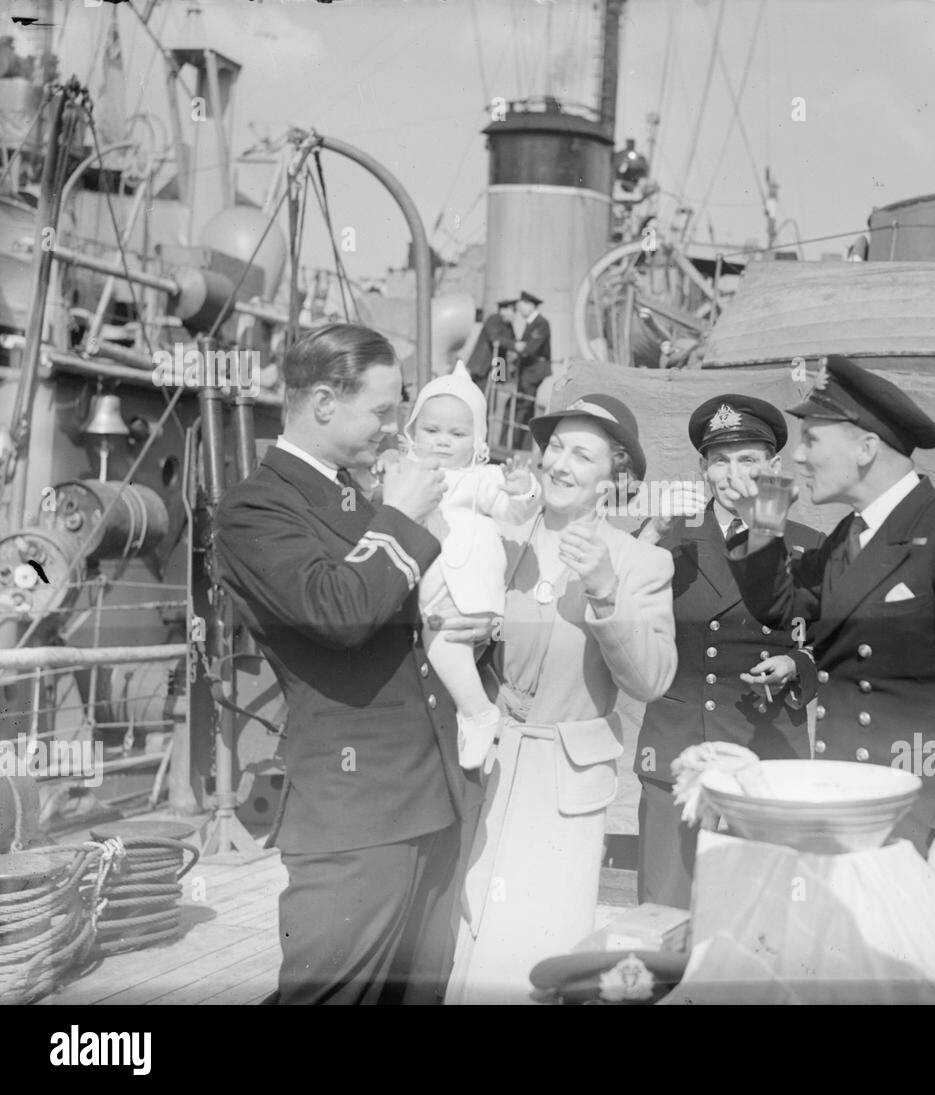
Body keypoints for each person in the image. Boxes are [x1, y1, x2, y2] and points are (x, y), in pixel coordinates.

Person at [724, 356, 935, 950]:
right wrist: (762, 520)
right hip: (863, 826)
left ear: (866, 448)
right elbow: (782, 610)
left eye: (811, 439)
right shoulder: (850, 536)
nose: (796, 456)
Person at [214, 323, 484, 1004]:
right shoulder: (256, 507)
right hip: (355, 818)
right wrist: (403, 514)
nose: (397, 427)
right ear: (326, 403)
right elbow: (337, 612)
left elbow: (380, 609)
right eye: (385, 409)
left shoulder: (351, 494)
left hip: (429, 802)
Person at [446, 393, 677, 1003]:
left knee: (533, 954)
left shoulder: (641, 563)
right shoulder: (498, 535)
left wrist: (605, 592)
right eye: (554, 447)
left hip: (564, 787)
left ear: (616, 477)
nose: (559, 463)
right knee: (467, 936)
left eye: (582, 453)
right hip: (486, 768)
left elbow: (652, 680)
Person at [634, 394, 823, 910]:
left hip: (768, 746)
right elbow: (618, 606)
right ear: (702, 468)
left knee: (761, 913)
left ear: (773, 467)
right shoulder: (671, 537)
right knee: (664, 909)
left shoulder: (807, 545)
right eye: (720, 460)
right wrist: (649, 538)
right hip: (677, 745)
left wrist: (795, 664)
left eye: (747, 459)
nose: (732, 472)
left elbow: (837, 644)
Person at [402, 361, 541, 769]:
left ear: (476, 440)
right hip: (430, 584)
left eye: (457, 434)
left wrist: (523, 490)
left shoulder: (480, 478)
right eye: (431, 431)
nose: (443, 442)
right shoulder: (406, 473)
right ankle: (467, 715)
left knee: (443, 640)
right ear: (413, 431)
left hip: (464, 584)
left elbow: (514, 512)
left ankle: (478, 712)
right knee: (439, 645)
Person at [511, 290, 551, 445]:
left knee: (524, 405)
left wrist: (521, 348)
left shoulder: (540, 323)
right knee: (523, 406)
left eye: (522, 305)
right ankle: (519, 443)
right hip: (525, 370)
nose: (519, 309)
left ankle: (518, 443)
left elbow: (531, 348)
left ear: (531, 305)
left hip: (533, 370)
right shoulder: (530, 324)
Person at [466, 298, 517, 390]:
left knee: (494, 392)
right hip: (483, 363)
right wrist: (514, 345)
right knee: (478, 390)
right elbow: (494, 338)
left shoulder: (508, 325)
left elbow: (513, 340)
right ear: (503, 310)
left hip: (498, 363)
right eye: (512, 311)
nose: (514, 314)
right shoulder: (493, 319)